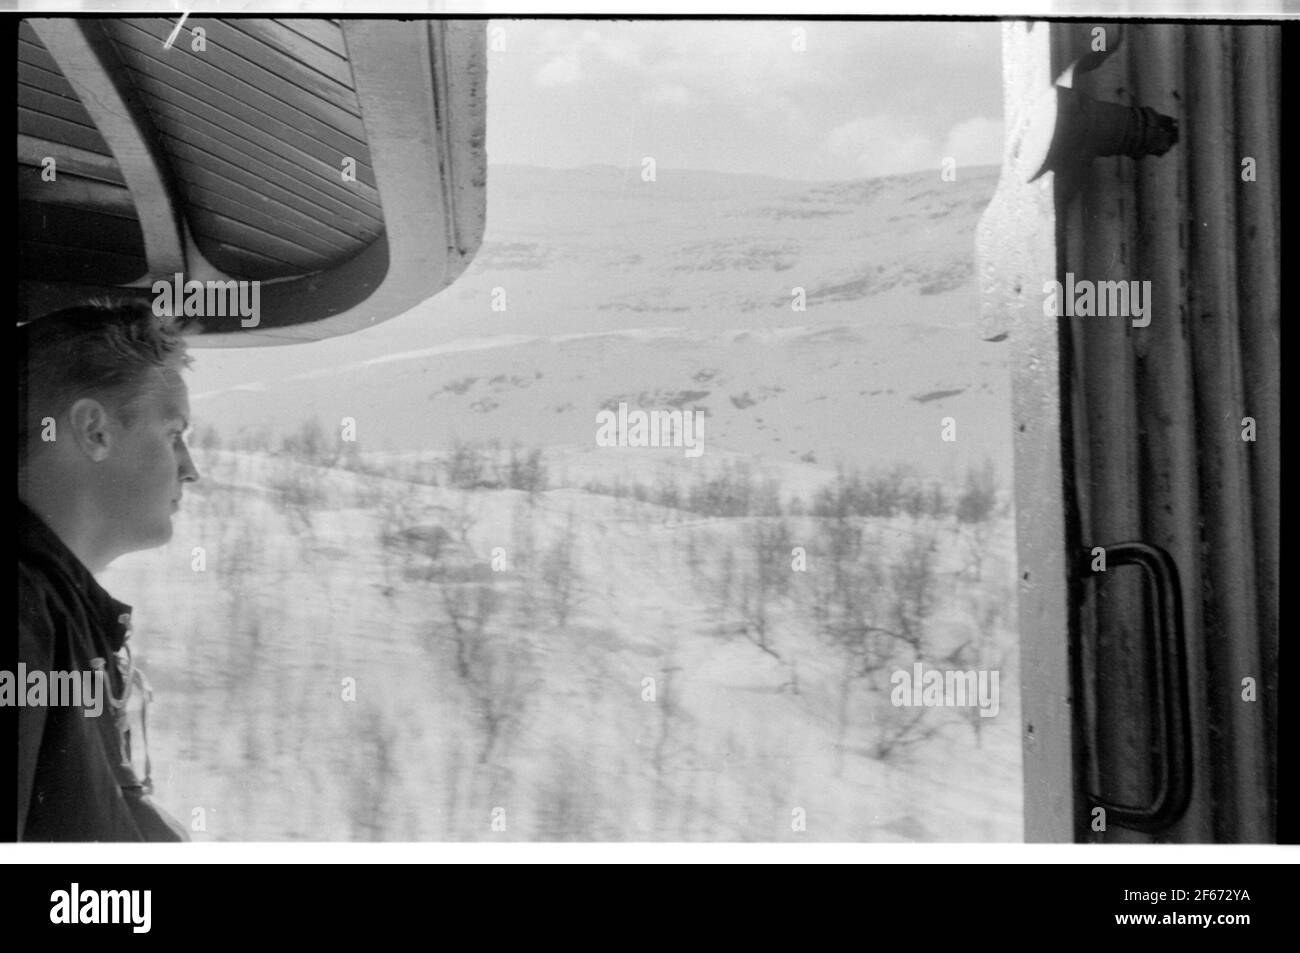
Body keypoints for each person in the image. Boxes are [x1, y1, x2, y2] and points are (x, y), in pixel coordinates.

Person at [17, 300, 200, 841]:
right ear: (94, 430)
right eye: (173, 434)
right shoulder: (24, 615)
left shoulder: (55, 613)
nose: (190, 469)